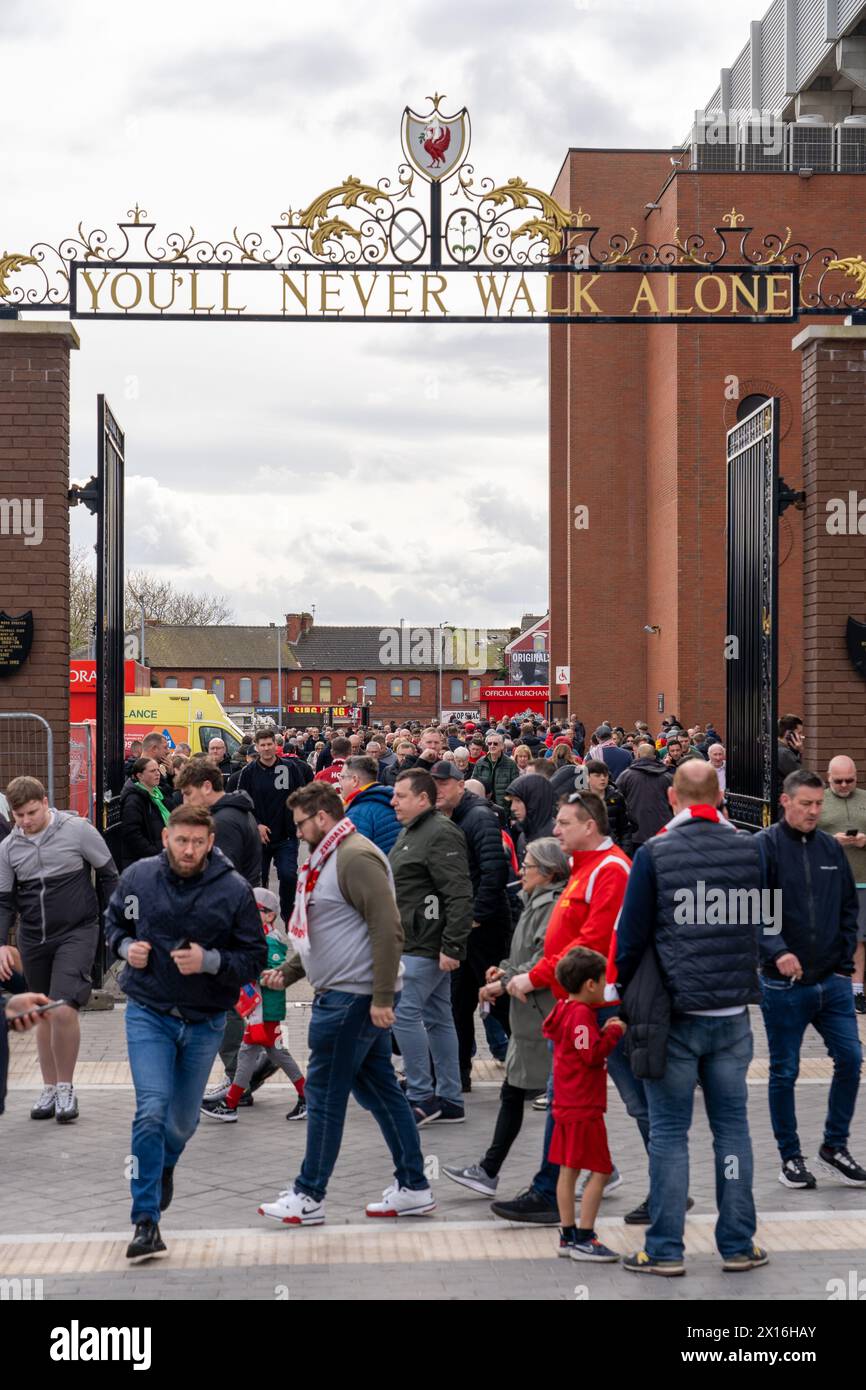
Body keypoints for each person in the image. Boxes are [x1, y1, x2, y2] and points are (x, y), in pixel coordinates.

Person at [256, 781, 434, 1223]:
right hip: (349, 994)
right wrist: (291, 972)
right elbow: (329, 930)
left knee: (324, 1095)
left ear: (322, 817)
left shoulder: (354, 857)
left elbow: (387, 928)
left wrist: (381, 996)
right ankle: (413, 1185)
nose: (296, 833)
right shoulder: (332, 856)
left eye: (300, 824)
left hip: (351, 998)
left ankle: (309, 1194)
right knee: (381, 1092)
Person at [616, 760, 767, 1276]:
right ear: (721, 799)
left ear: (674, 799)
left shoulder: (654, 854)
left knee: (669, 1134)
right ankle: (737, 1244)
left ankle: (664, 1250)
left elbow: (631, 939)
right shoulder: (750, 850)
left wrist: (619, 995)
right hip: (732, 1016)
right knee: (732, 1131)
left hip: (674, 1016)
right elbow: (762, 923)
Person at [105, 803, 267, 1262]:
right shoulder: (138, 878)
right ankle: (145, 1220)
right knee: (151, 1111)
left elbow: (254, 956)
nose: (190, 849)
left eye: (198, 842)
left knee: (181, 1123)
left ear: (211, 842)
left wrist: (210, 961)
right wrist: (124, 946)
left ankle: (167, 1163)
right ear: (166, 838)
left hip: (204, 1019)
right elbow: (113, 922)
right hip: (149, 1012)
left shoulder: (233, 890)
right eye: (182, 840)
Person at [490, 792, 632, 1225]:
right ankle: (557, 1184)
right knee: (570, 1102)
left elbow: (587, 943)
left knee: (635, 1103)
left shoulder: (609, 870)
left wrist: (533, 977)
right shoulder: (583, 868)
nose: (555, 831)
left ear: (590, 826)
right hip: (577, 1002)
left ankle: (558, 1188)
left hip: (599, 1004)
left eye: (565, 823)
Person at [757, 768, 865, 1189]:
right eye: (806, 804)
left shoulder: (828, 848)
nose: (814, 811)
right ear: (785, 802)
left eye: (819, 805)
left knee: (852, 1060)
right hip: (783, 986)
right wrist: (778, 951)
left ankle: (833, 1145)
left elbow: (847, 906)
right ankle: (790, 1157)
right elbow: (753, 910)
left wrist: (843, 963)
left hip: (832, 981)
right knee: (784, 1071)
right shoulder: (764, 847)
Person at [443, 838, 569, 1196]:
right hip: (530, 1014)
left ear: (546, 873)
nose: (521, 871)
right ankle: (488, 1170)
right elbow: (527, 952)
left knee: (544, 1096)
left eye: (527, 866)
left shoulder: (550, 906)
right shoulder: (533, 902)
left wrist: (507, 981)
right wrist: (504, 970)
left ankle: (489, 1170)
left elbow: (546, 957)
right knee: (531, 1094)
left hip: (539, 1014)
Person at [0, 776, 119, 1124]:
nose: (25, 822)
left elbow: (109, 874)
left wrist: (114, 923)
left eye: (32, 813)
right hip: (34, 937)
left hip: (78, 930)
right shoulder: (8, 848)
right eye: (18, 815)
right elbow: (4, 902)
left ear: (45, 801)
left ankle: (66, 1087)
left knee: (64, 1007)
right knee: (42, 1010)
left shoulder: (77, 830)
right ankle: (48, 1087)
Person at [389, 768, 474, 1124]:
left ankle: (423, 1095)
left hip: (424, 943)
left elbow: (458, 892)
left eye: (401, 796)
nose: (393, 801)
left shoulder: (439, 833)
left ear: (423, 799)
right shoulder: (414, 831)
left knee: (405, 1014)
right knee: (438, 1018)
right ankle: (450, 1098)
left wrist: (453, 945)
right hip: (418, 941)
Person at [430, 761, 511, 1092]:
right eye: (434, 785)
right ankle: (459, 1073)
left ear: (460, 785)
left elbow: (495, 870)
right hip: (464, 924)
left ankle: (534, 1072)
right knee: (458, 1002)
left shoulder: (477, 817)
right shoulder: (453, 818)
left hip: (484, 927)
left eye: (444, 785)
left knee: (500, 1000)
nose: (437, 791)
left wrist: (477, 915)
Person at [544, 946, 626, 1261]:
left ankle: (567, 1235)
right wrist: (613, 1034)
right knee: (602, 1170)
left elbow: (580, 1044)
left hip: (566, 1103)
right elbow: (589, 1054)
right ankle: (585, 1237)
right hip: (583, 1106)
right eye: (603, 979)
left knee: (569, 1169)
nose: (606, 985)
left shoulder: (564, 1008)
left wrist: (598, 1033)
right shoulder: (581, 1015)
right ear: (590, 984)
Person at [200, 887, 306, 1123]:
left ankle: (306, 1095)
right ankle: (230, 1103)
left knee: (276, 1053)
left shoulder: (272, 941)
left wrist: (245, 972)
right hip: (259, 1010)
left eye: (256, 910)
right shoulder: (258, 938)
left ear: (270, 915)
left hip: (267, 1009)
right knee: (251, 1054)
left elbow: (274, 974)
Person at [236, 727, 305, 921]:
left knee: (289, 874)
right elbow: (242, 802)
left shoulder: (290, 767)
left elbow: (301, 796)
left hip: (286, 835)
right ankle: (260, 917)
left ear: (276, 746)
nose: (266, 748)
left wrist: (300, 823)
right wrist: (256, 825)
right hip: (259, 836)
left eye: (269, 744)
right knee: (259, 879)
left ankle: (288, 914)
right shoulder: (248, 772)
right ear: (257, 748)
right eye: (262, 745)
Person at [819, 755, 866, 1014]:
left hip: (861, 880)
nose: (845, 785)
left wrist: (863, 841)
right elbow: (803, 835)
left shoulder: (865, 799)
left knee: (858, 937)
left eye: (850, 780)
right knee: (829, 935)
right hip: (828, 880)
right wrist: (830, 840)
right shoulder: (819, 801)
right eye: (839, 781)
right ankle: (829, 988)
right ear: (828, 777)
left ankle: (857, 991)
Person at [615, 740, 674, 847]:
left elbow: (617, 802)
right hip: (662, 832)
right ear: (654, 756)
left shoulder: (626, 776)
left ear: (637, 755)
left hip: (635, 834)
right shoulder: (667, 777)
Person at [340, 756, 401, 855]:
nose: (340, 781)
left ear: (355, 780)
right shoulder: (389, 799)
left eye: (342, 777)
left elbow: (353, 857)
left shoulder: (358, 813)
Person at [120, 757, 171, 869]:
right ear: (140, 775)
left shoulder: (160, 793)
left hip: (164, 854)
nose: (158, 774)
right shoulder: (134, 800)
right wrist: (155, 853)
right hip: (148, 861)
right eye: (152, 771)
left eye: (158, 770)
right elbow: (132, 834)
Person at [506, 772, 556, 863]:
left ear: (534, 801)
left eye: (518, 801)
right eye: (512, 801)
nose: (512, 808)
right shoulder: (523, 835)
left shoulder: (556, 836)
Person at [584, 759, 630, 852]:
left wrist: (625, 851)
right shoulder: (581, 799)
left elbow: (625, 828)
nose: (603, 778)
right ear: (587, 777)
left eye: (605, 775)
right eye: (597, 775)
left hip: (613, 850)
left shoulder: (617, 797)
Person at [474, 732, 519, 808]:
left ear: (502, 746)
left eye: (495, 743)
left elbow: (516, 789)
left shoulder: (511, 764)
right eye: (489, 743)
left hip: (504, 808)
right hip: (484, 807)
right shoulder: (480, 762)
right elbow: (474, 784)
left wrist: (508, 805)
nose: (492, 746)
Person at [777, 714, 804, 780]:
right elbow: (802, 777)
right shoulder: (784, 753)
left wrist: (795, 751)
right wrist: (801, 751)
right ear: (789, 734)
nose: (802, 737)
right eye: (799, 733)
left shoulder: (776, 747)